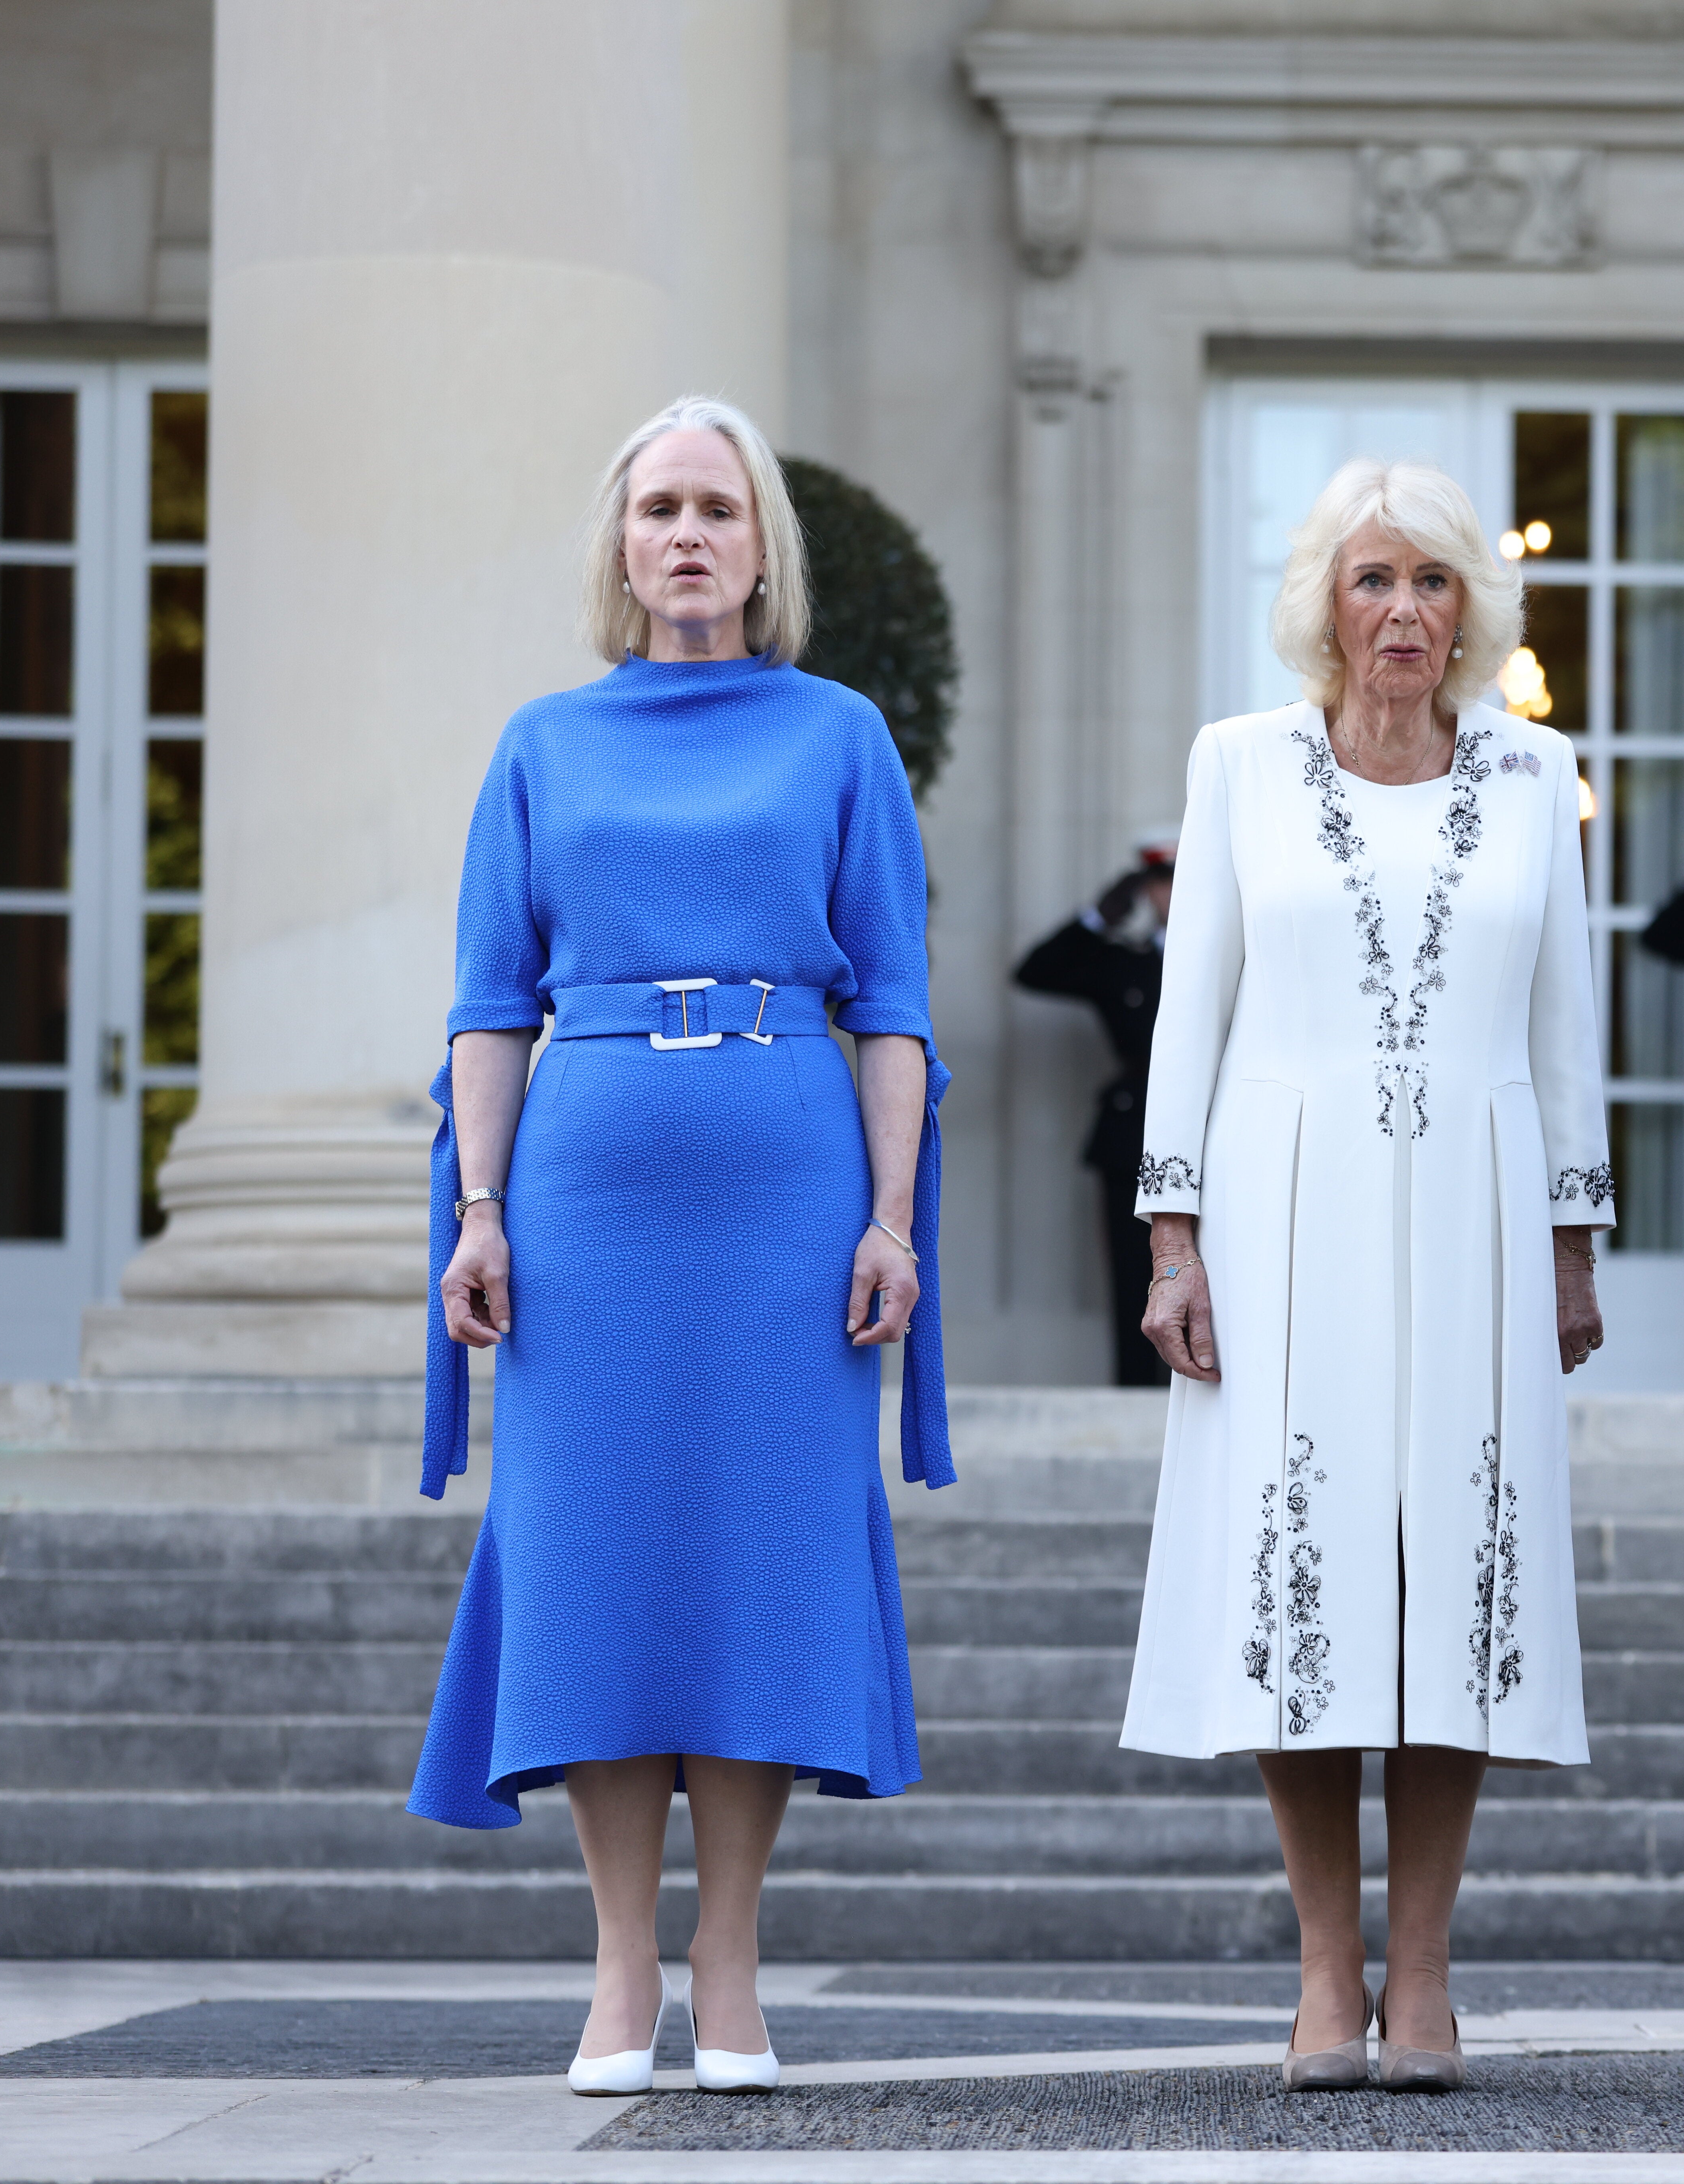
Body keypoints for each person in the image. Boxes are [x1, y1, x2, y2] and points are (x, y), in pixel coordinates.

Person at [409, 394, 954, 2099]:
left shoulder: (840, 735)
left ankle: (730, 1959)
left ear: (762, 542)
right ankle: (620, 1960)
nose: (690, 536)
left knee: (756, 1568)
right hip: (591, 1202)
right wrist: (480, 1214)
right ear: (624, 543)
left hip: (788, 1191)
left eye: (718, 507)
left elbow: (895, 1010)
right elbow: (493, 1007)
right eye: (661, 509)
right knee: (595, 1565)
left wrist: (887, 1220)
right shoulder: (543, 745)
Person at [1124, 456, 1610, 2094]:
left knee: (1452, 1582)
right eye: (1371, 579)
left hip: (1475, 1211)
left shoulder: (1541, 775)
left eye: (1431, 582)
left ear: (1470, 607)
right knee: (1311, 1577)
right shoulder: (1238, 768)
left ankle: (1424, 1975)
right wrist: (1172, 1236)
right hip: (1282, 1208)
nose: (1403, 611)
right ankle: (1325, 1971)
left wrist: (1572, 1236)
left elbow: (1564, 1026)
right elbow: (1189, 1009)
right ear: (1322, 607)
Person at [1013, 833, 1178, 1387]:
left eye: (1183, 877)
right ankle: (1136, 1393)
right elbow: (1035, 971)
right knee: (1136, 1276)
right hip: (1136, 1131)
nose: (1172, 893)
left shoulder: (1247, 952)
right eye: (1161, 881)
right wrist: (1095, 920)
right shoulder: (1123, 962)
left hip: (1219, 1127)